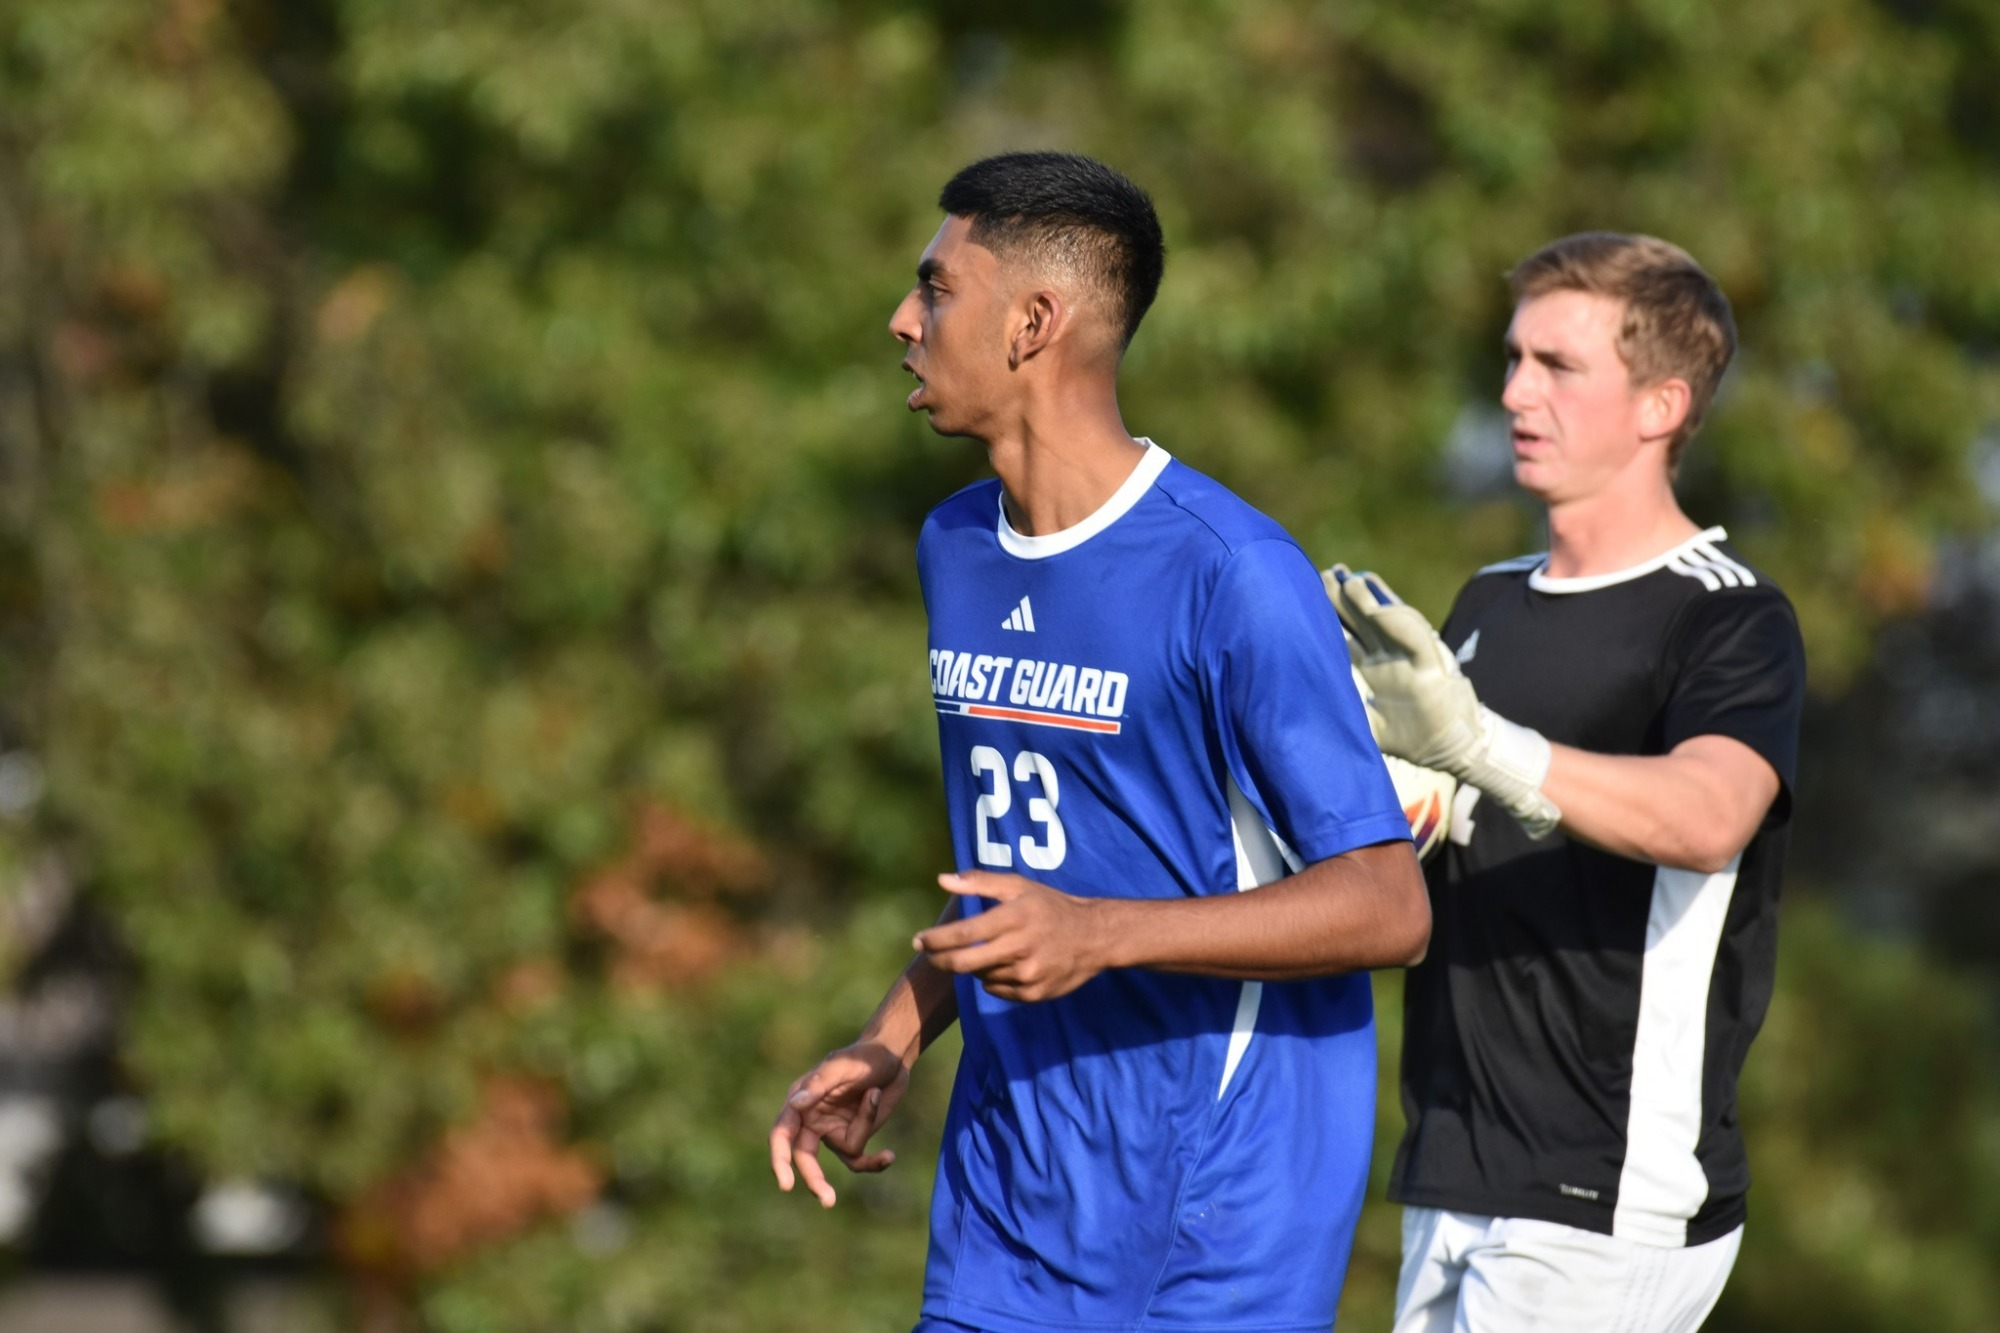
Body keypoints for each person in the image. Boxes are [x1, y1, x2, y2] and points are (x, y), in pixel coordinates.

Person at [768, 151, 1431, 1332]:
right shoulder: (953, 546)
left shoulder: (1233, 574)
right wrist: (892, 1036)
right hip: (1009, 1189)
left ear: (1032, 321)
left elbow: (1387, 905)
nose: (901, 319)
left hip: (1215, 1207)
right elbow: (1021, 869)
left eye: (935, 289)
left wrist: (1101, 936)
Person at [1328, 233, 1808, 1333]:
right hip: (1453, 1165)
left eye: (1556, 365)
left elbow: (1706, 815)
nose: (1512, 392)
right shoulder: (1483, 601)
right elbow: (1437, 822)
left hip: (1605, 1191)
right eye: (1510, 359)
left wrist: (1483, 747)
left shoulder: (1727, 614)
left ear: (1660, 406)